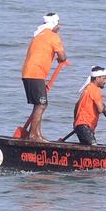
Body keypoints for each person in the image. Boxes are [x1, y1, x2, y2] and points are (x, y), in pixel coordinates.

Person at [20, 12, 67, 142]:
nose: (59, 26)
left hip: (28, 73)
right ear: (53, 24)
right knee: (41, 104)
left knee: (39, 103)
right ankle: (34, 135)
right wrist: (60, 58)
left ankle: (36, 134)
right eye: (58, 23)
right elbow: (63, 56)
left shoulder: (38, 34)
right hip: (35, 73)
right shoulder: (53, 36)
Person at [70, 66, 106, 145]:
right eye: (104, 78)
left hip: (81, 126)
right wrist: (103, 106)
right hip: (84, 126)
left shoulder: (87, 88)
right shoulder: (95, 89)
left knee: (86, 148)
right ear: (97, 78)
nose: (105, 81)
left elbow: (76, 106)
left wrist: (75, 123)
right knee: (94, 148)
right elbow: (100, 109)